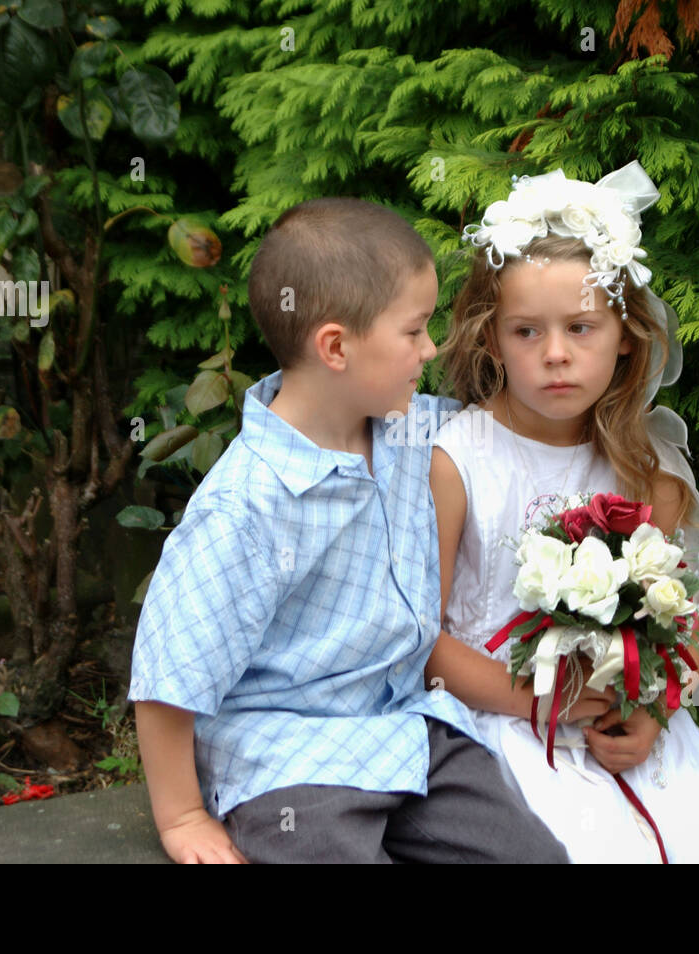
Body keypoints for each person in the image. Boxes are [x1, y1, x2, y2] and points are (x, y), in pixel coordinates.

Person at [129, 196, 569, 864]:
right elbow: (170, 676)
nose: (432, 348)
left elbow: (508, 430)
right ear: (336, 346)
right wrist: (184, 816)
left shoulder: (412, 426)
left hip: (408, 728)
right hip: (288, 757)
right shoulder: (245, 506)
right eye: (414, 330)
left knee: (530, 856)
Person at [426, 162, 699, 863]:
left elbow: (682, 625)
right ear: (491, 337)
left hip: (624, 732)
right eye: (526, 332)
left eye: (581, 327)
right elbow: (422, 639)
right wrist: (534, 703)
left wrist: (654, 710)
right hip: (503, 727)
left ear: (626, 333)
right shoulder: (457, 459)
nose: (555, 355)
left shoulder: (646, 468)